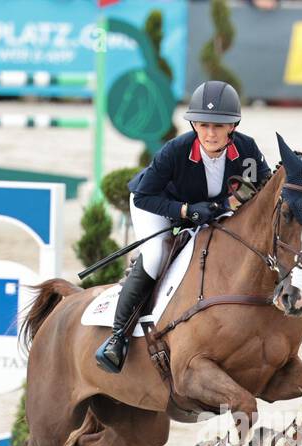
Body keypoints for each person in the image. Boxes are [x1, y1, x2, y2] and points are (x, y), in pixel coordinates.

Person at [95, 80, 273, 374]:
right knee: (156, 256)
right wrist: (185, 211)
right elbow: (144, 197)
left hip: (206, 210)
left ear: (233, 126)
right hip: (157, 205)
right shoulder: (175, 151)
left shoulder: (247, 150)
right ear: (194, 126)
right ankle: (118, 337)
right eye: (203, 125)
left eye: (219, 125)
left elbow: (263, 188)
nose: (210, 133)